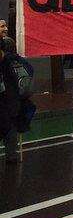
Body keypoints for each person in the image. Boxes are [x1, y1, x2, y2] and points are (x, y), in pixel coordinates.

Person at [0, 21, 31, 164]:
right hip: (13, 101)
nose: (5, 28)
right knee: (10, 128)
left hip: (6, 100)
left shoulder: (6, 62)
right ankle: (11, 157)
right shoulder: (19, 62)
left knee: (7, 127)